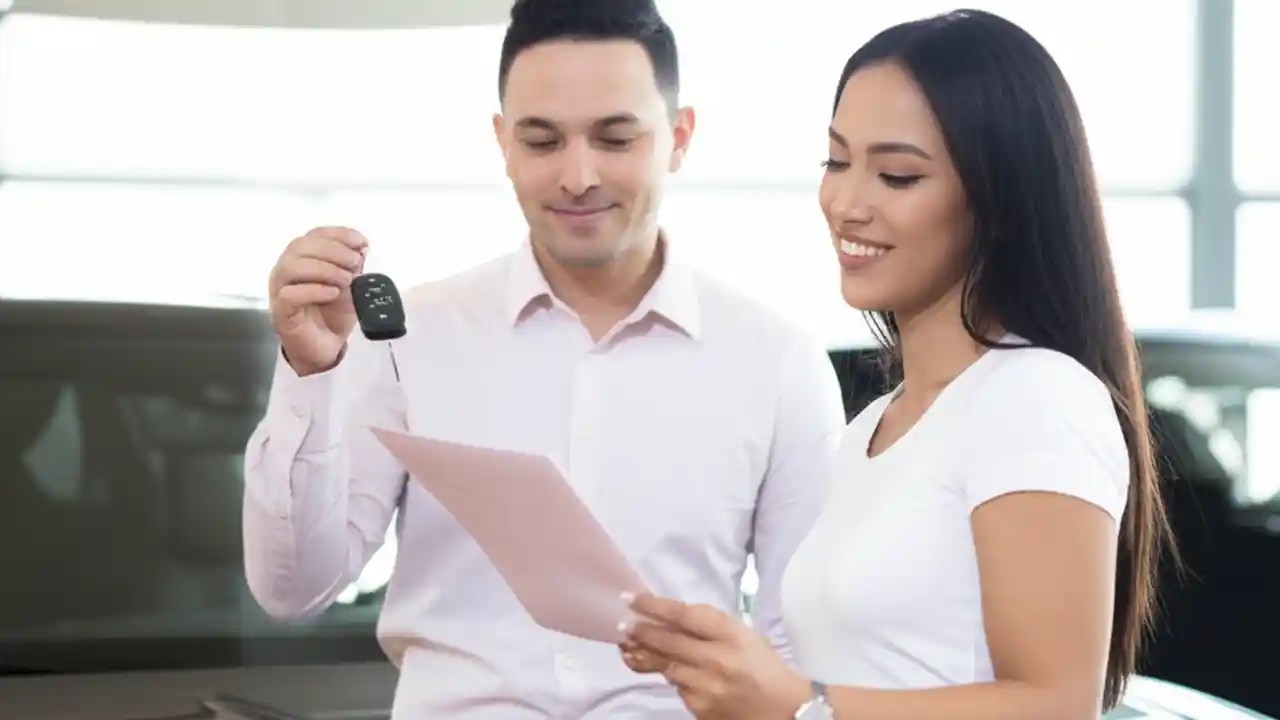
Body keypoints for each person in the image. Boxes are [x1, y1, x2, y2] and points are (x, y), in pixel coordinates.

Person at [241, 0, 846, 717]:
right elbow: (292, 591)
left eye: (615, 139)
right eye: (542, 141)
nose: (578, 176)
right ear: (502, 142)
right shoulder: (410, 338)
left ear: (679, 137)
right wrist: (311, 373)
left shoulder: (774, 358)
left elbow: (798, 655)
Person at [620, 9, 1177, 719]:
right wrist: (724, 666)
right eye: (837, 161)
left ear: (999, 199)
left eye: (897, 175)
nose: (848, 202)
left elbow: (1056, 705)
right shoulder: (873, 430)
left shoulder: (1037, 398)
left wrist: (795, 706)